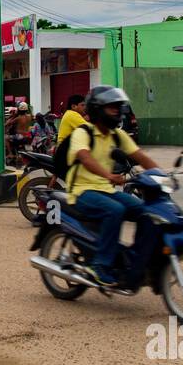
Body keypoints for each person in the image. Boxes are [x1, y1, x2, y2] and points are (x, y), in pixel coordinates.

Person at [64, 85, 160, 291]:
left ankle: (135, 263)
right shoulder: (83, 133)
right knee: (115, 210)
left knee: (148, 212)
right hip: (82, 191)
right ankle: (100, 265)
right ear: (98, 110)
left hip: (105, 190)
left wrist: (162, 177)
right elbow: (84, 157)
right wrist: (108, 175)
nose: (117, 111)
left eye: (118, 107)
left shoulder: (117, 135)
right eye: (112, 108)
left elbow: (139, 156)